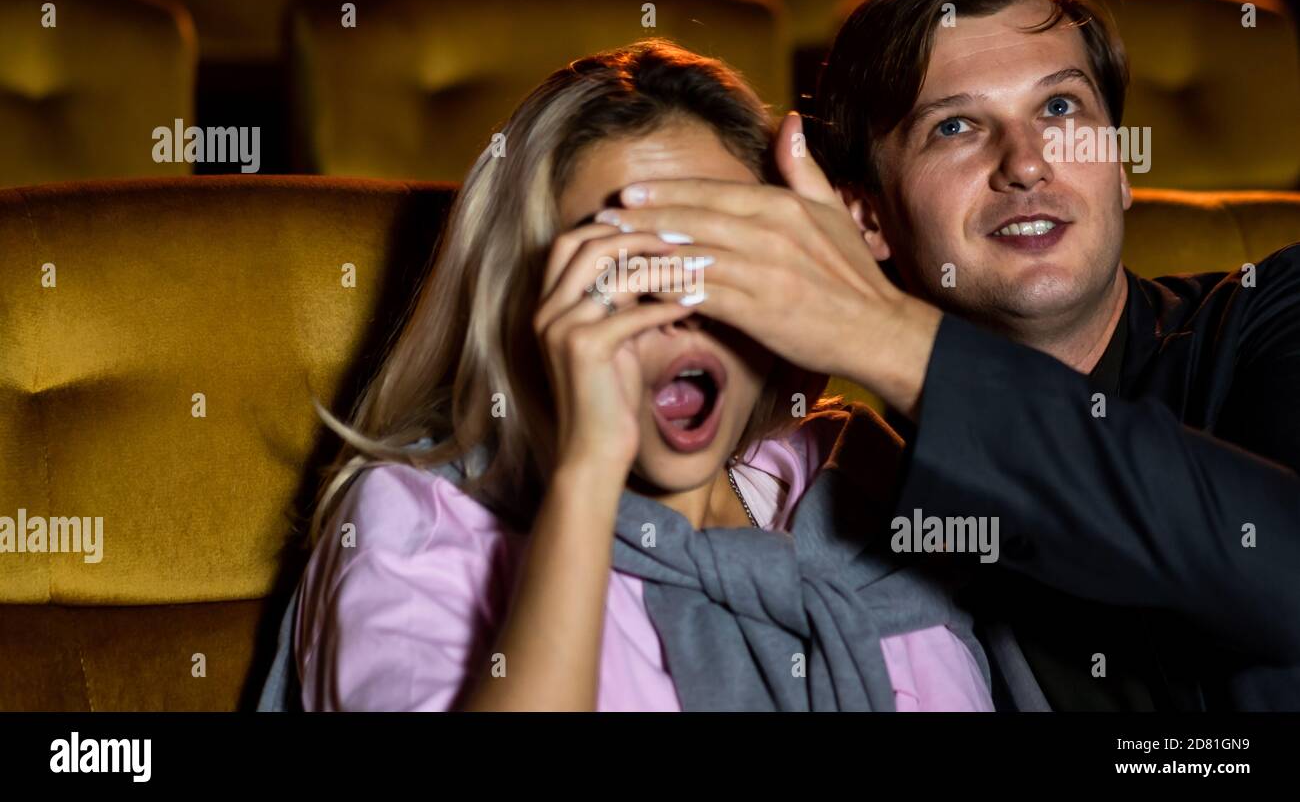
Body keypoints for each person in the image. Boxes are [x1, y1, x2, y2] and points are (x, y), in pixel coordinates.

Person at [599, 0, 1300, 710]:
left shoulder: (1273, 311)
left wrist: (882, 333)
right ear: (866, 216)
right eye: (957, 125)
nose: (1027, 164)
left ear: (1121, 167)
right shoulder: (843, 482)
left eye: (1060, 109)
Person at [265, 40, 1015, 712]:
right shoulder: (418, 523)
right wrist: (587, 468)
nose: (671, 308)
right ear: (521, 307)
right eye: (617, 267)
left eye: (718, 256)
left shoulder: (849, 477)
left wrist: (866, 321)